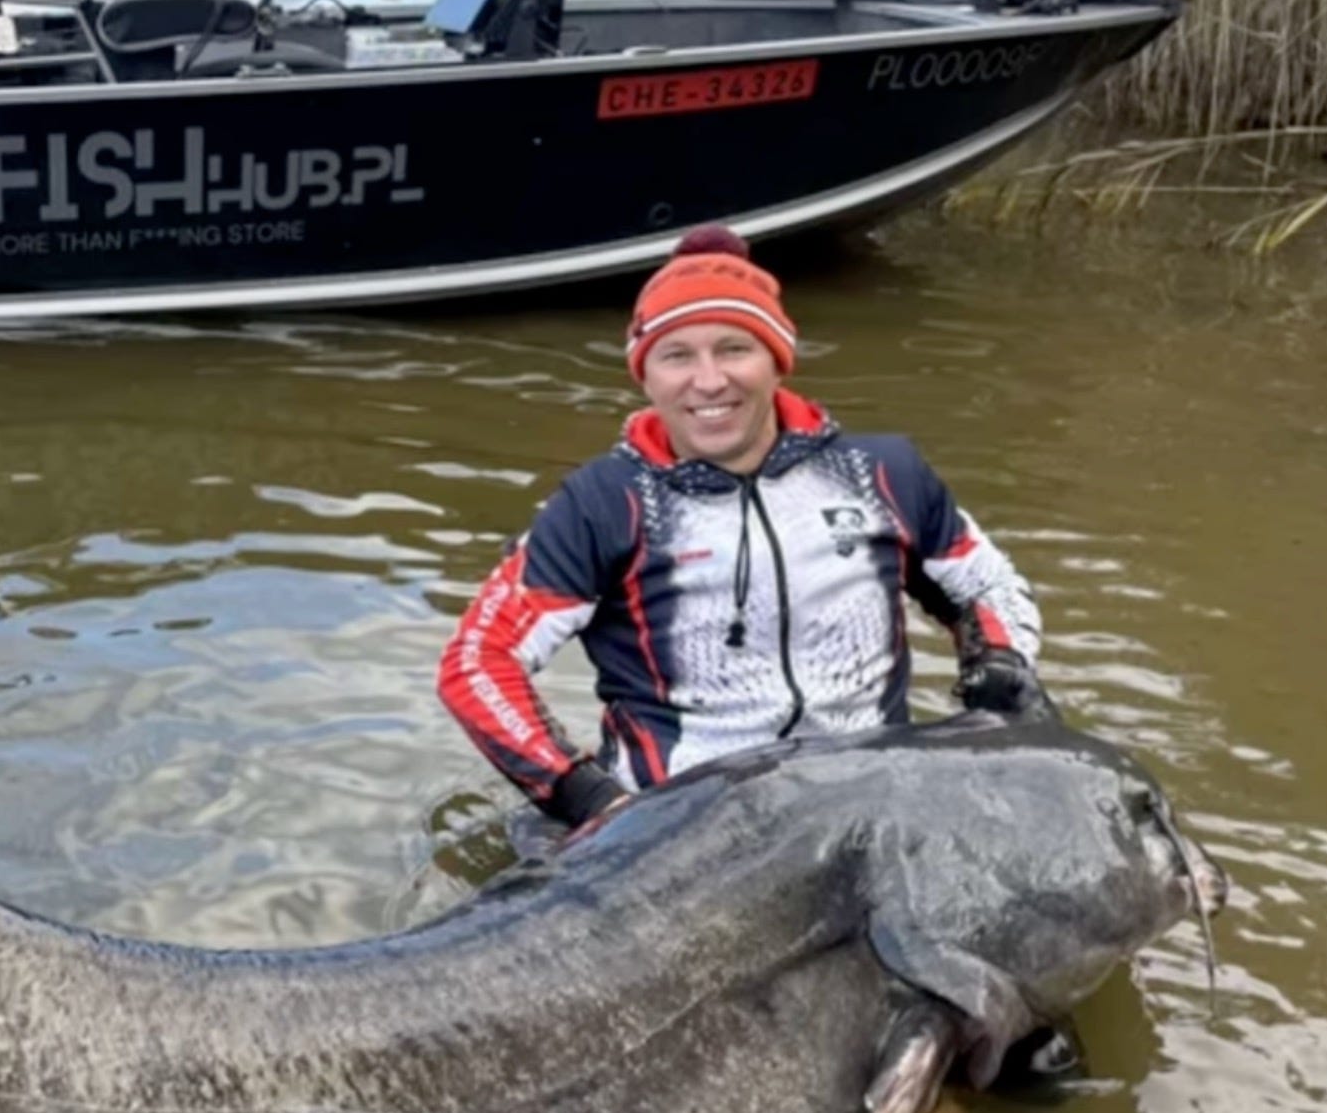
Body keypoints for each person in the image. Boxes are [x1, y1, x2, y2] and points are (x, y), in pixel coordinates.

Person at [438, 225, 1047, 840]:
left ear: (777, 359)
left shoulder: (883, 473)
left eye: (734, 349)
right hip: (679, 830)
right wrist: (589, 798)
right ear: (645, 375)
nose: (708, 381)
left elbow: (987, 586)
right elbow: (477, 662)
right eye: (677, 356)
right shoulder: (602, 503)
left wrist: (997, 664)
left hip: (868, 811)